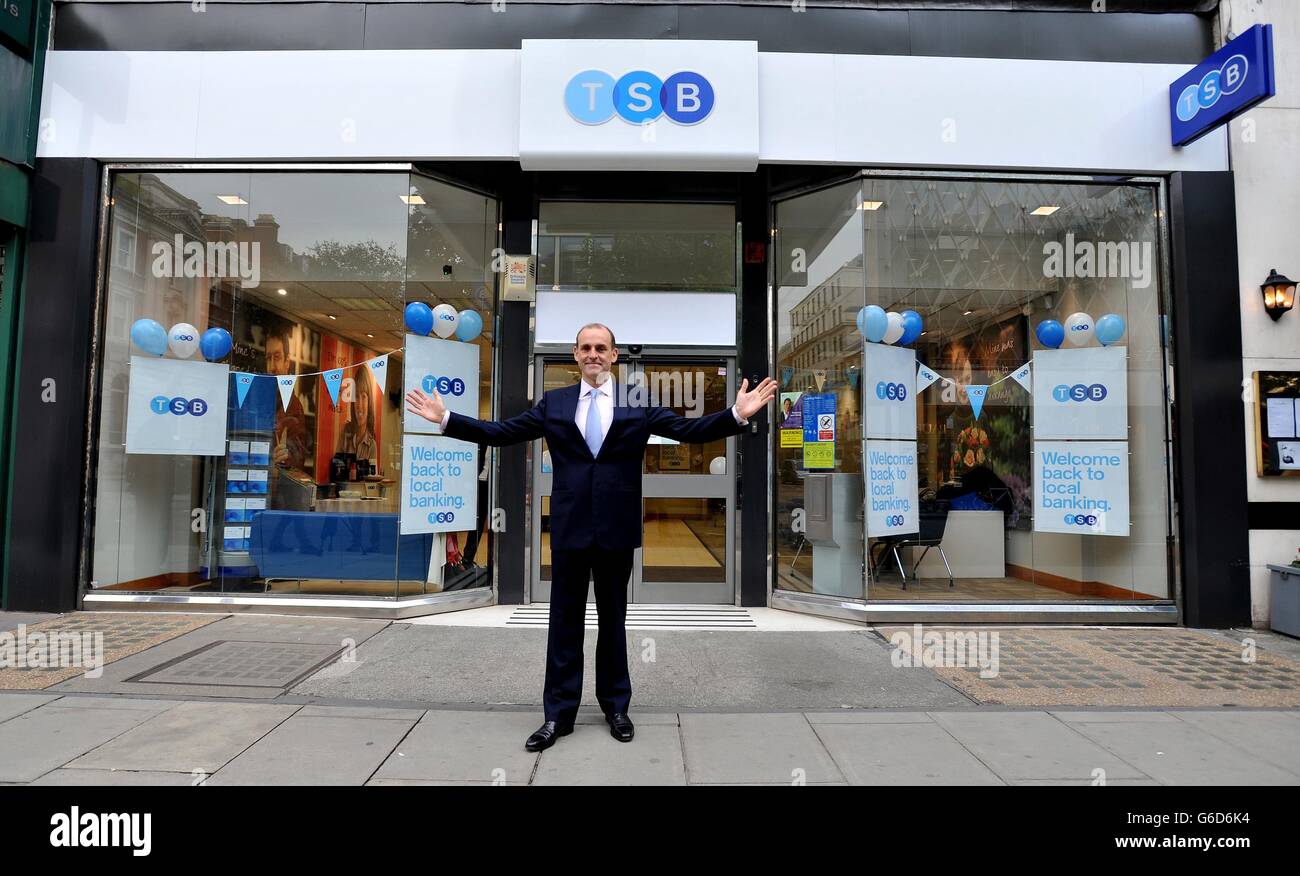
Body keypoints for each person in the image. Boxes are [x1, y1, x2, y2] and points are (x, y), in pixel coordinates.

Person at [406, 323, 776, 751]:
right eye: (586, 347)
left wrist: (736, 415)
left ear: (614, 355)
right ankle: (558, 715)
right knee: (564, 622)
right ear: (576, 354)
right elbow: (503, 433)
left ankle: (616, 707)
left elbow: (686, 431)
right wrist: (447, 419)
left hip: (617, 527)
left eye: (601, 347)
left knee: (612, 621)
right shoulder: (556, 402)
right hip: (570, 528)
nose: (593, 354)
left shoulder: (637, 400)